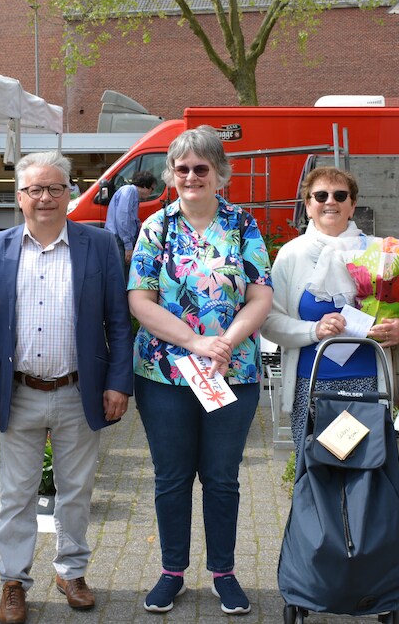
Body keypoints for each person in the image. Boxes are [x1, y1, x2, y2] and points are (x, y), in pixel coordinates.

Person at [0, 151, 132, 624]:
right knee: (15, 495)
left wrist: (118, 382)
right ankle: (14, 580)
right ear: (19, 197)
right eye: (35, 190)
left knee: (76, 491)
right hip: (16, 392)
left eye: (55, 188)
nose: (45, 197)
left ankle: (71, 571)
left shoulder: (99, 246)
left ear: (70, 193)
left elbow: (118, 323)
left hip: (78, 390)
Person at [127, 126, 272, 615]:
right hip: (163, 374)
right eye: (183, 168)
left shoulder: (243, 225)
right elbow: (139, 300)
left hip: (231, 372)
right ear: (171, 174)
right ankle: (172, 571)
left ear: (220, 175)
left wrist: (226, 343)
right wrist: (193, 341)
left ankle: (224, 572)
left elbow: (260, 296)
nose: (191, 176)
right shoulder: (156, 228)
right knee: (170, 478)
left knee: (222, 477)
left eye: (201, 168)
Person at [261, 166, 399, 455]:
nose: (330, 201)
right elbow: (269, 322)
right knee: (317, 475)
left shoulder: (381, 251)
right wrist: (314, 330)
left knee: (363, 475)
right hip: (310, 385)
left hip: (369, 384)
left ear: (352, 205)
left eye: (340, 195)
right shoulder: (291, 255)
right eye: (320, 195)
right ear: (308, 206)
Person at [103, 170, 156, 260]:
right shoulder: (130, 191)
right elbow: (123, 219)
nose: (151, 192)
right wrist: (128, 246)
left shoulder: (131, 193)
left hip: (119, 239)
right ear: (145, 186)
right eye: (152, 189)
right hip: (119, 240)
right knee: (121, 272)